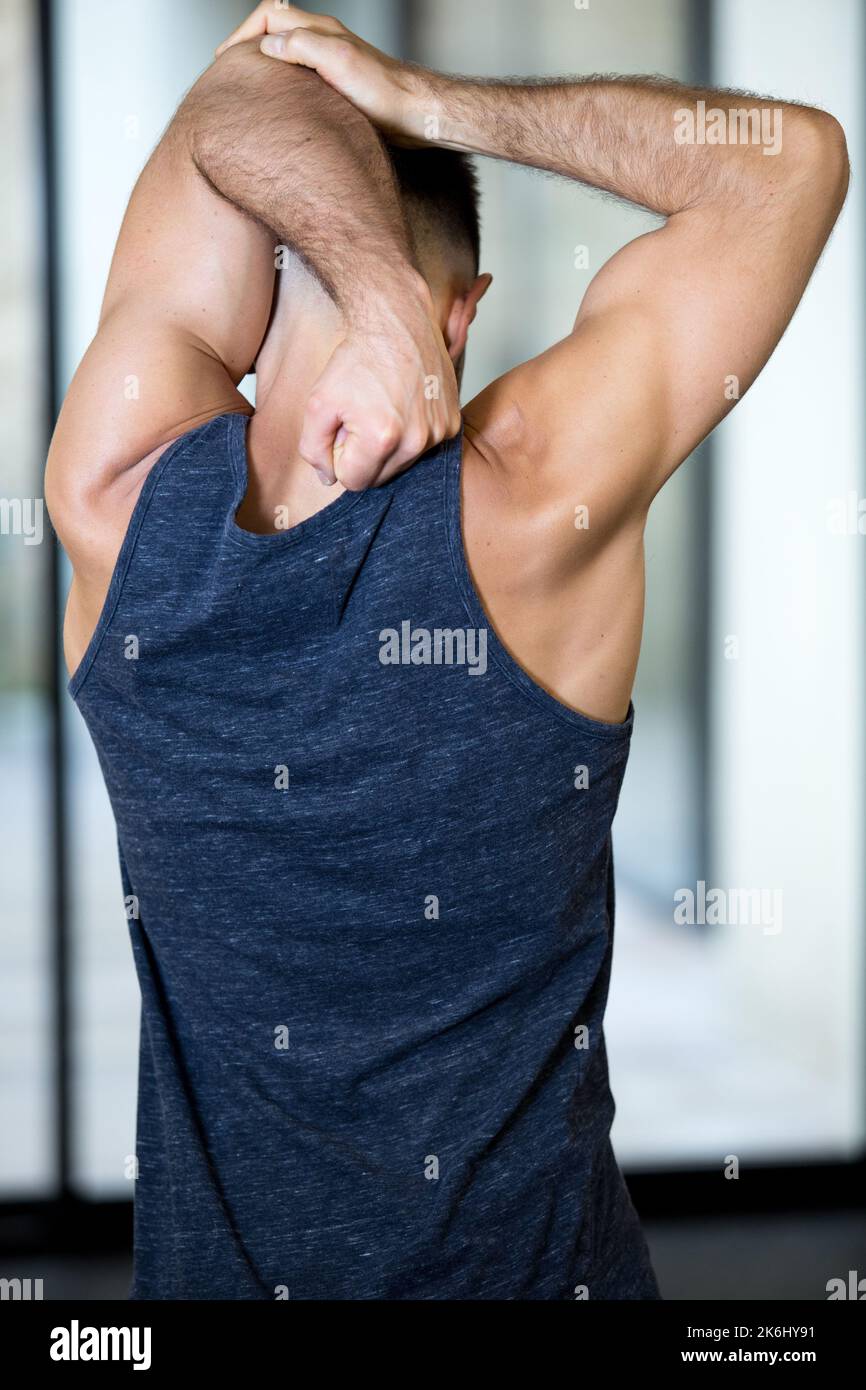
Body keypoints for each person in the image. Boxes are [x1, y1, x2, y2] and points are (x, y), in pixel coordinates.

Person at [45, 3, 848, 1300]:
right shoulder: (533, 500)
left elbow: (247, 79)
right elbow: (786, 160)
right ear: (464, 309)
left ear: (253, 302)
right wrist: (429, 102)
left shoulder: (114, 500)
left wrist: (355, 280)